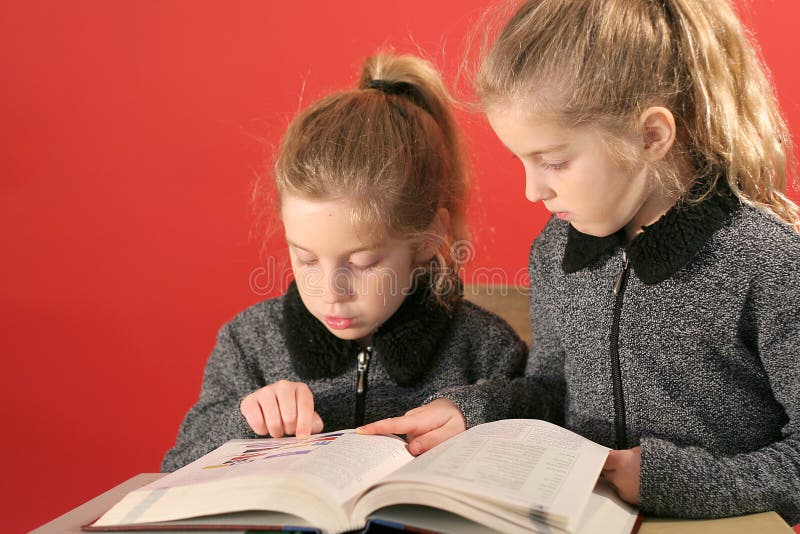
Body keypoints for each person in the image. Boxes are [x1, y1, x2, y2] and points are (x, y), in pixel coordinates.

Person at [358, 0, 800, 524]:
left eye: (554, 162)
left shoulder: (768, 261)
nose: (531, 189)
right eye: (522, 161)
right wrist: (469, 412)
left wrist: (668, 482)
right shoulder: (554, 251)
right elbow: (549, 393)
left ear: (651, 136)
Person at [160, 53, 527, 472]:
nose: (330, 292)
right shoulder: (249, 344)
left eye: (364, 262)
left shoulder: (485, 349)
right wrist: (244, 421)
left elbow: (543, 445)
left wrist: (476, 412)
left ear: (428, 239)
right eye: (306, 258)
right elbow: (175, 466)